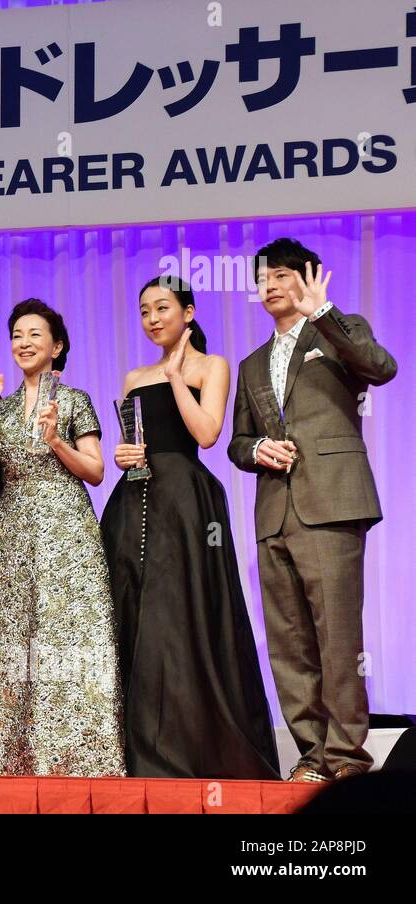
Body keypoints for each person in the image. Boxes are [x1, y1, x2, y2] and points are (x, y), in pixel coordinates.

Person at [228, 238, 398, 783]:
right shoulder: (252, 362)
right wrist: (257, 451)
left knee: (336, 639)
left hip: (332, 503)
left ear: (307, 278)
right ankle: (312, 755)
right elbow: (237, 440)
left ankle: (347, 758)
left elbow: (379, 367)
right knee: (289, 644)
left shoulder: (339, 329)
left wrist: (322, 314)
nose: (271, 285)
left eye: (282, 275)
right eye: (264, 278)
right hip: (274, 510)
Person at [100, 277, 278, 779]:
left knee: (182, 617)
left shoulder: (212, 366)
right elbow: (131, 444)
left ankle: (191, 747)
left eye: (163, 307)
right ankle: (135, 750)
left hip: (187, 500)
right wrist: (122, 453)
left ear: (190, 313)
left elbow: (207, 432)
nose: (153, 318)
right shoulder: (135, 376)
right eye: (144, 311)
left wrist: (178, 377)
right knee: (132, 615)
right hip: (133, 498)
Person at [0, 299, 124, 776]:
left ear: (57, 346)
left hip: (67, 527)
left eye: (34, 335)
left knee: (66, 633)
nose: (23, 343)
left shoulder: (74, 400)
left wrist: (55, 441)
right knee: (4, 635)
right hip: (12, 526)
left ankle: (75, 757)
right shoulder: (1, 406)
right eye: (17, 336)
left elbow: (96, 470)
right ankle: (1, 756)